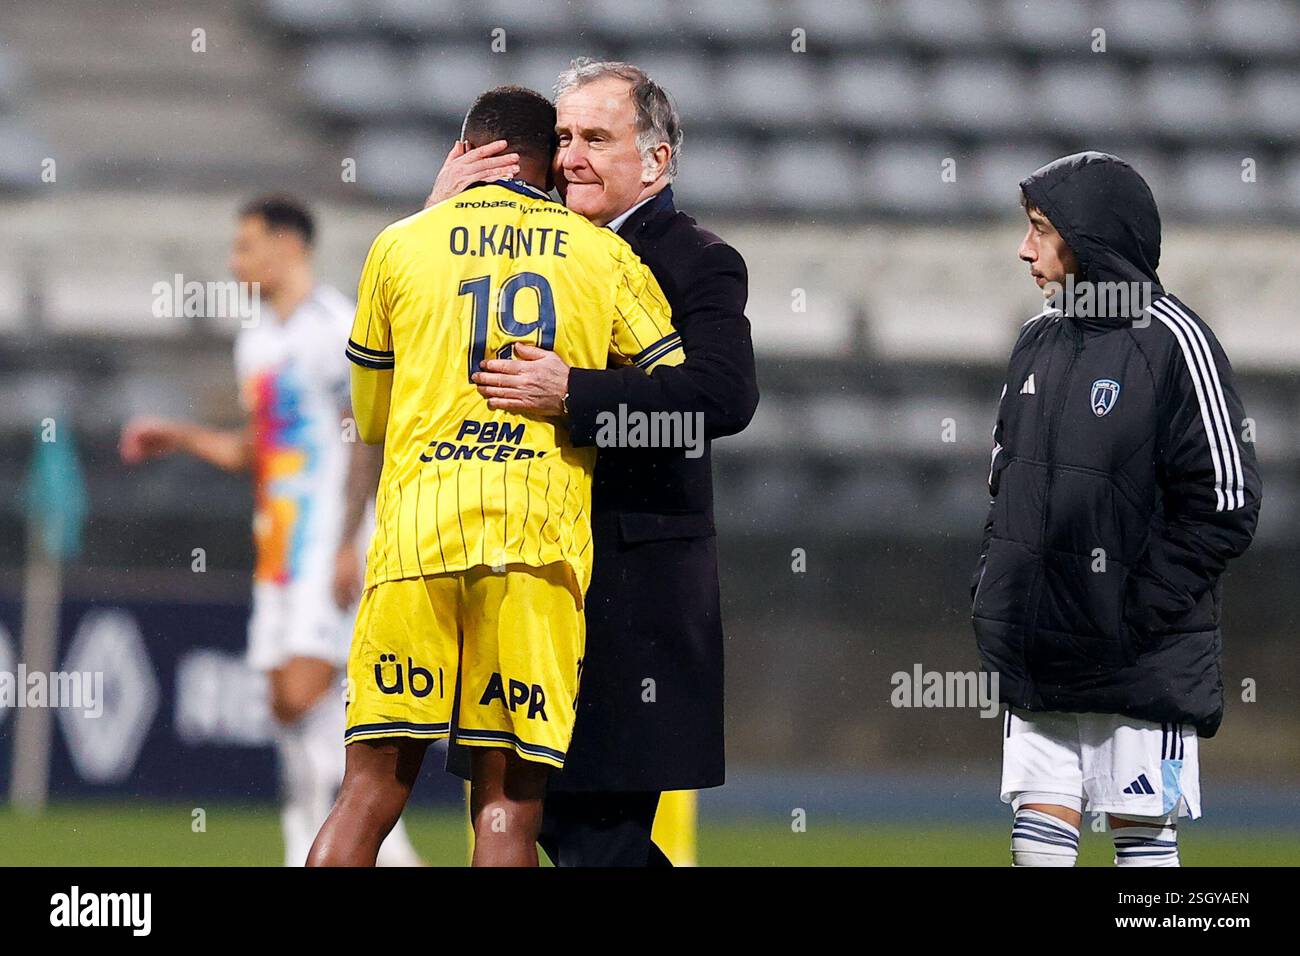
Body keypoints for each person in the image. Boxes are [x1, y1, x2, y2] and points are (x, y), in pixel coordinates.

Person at [306, 86, 683, 867]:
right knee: (509, 806)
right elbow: (673, 394)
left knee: (369, 793)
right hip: (534, 551)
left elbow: (370, 417)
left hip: (415, 543)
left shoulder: (399, 244)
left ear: (464, 153)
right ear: (548, 164)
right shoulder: (601, 252)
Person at [427, 59, 759, 866]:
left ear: (657, 160)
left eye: (597, 138)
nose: (570, 156)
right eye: (565, 136)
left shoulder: (696, 259)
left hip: (625, 591)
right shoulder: (523, 251)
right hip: (518, 573)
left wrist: (575, 392)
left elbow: (721, 399)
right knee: (515, 819)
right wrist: (437, 217)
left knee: (593, 836)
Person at [972, 152, 1262, 867]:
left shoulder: (1176, 343)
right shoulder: (1036, 339)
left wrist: (1131, 610)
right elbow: (1005, 482)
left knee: (1141, 840)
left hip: (1138, 664)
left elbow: (1226, 501)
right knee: (1036, 844)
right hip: (1042, 658)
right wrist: (998, 592)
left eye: (1040, 230)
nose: (1024, 249)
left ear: (1092, 238)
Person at [120, 196, 422, 867]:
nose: (235, 263)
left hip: (330, 542)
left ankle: (343, 844)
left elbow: (368, 434)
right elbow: (254, 451)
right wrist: (180, 436)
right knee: (288, 711)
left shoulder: (338, 326)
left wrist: (349, 540)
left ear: (290, 246)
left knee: (298, 692)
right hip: (279, 550)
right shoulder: (255, 341)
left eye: (246, 247)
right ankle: (368, 848)